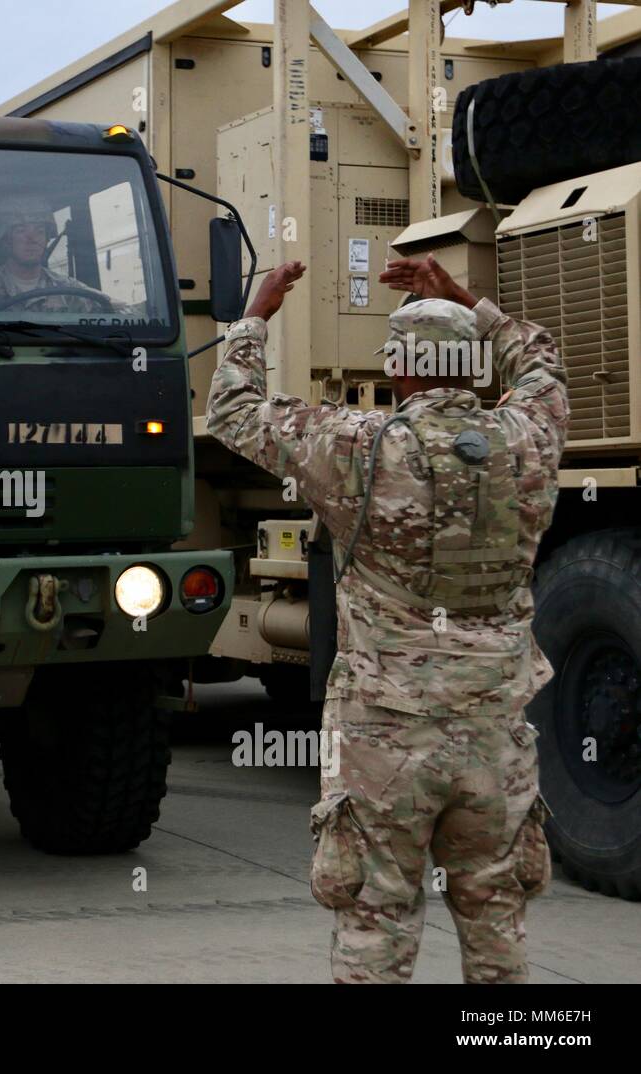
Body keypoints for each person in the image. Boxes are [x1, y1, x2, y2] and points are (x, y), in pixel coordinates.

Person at [205, 255, 569, 984]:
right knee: (498, 923)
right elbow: (542, 363)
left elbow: (233, 413)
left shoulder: (356, 448)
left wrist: (255, 315)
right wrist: (465, 299)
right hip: (495, 736)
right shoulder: (529, 438)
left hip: (386, 740)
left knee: (376, 923)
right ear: (473, 368)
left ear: (399, 367)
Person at [0, 197, 110, 314]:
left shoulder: (69, 290)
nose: (32, 239)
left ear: (47, 238)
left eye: (39, 231)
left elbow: (114, 315)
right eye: (21, 230)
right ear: (7, 239)